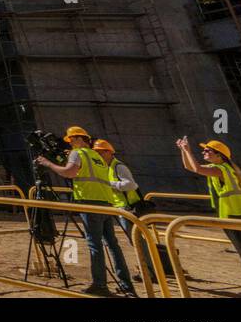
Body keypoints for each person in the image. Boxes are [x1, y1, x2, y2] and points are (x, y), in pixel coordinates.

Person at [34, 125, 138, 297]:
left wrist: (48, 163)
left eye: (72, 139)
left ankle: (100, 285)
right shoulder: (97, 156)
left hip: (89, 202)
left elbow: (69, 173)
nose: (70, 143)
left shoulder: (78, 153)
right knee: (112, 245)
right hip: (106, 203)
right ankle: (126, 285)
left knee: (94, 244)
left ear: (80, 139)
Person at [177, 136, 241, 296]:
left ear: (220, 155)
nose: (204, 152)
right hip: (229, 213)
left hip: (236, 213)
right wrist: (183, 151)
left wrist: (188, 150)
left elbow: (198, 169)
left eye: (208, 150)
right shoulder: (219, 167)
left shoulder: (221, 169)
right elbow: (190, 167)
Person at [95, 139, 172, 282]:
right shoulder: (107, 167)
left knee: (138, 242)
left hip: (129, 210)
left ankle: (151, 272)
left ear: (108, 152)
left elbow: (130, 185)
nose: (97, 155)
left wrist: (109, 184)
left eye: (99, 152)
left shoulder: (118, 167)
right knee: (136, 241)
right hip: (121, 209)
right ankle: (149, 270)